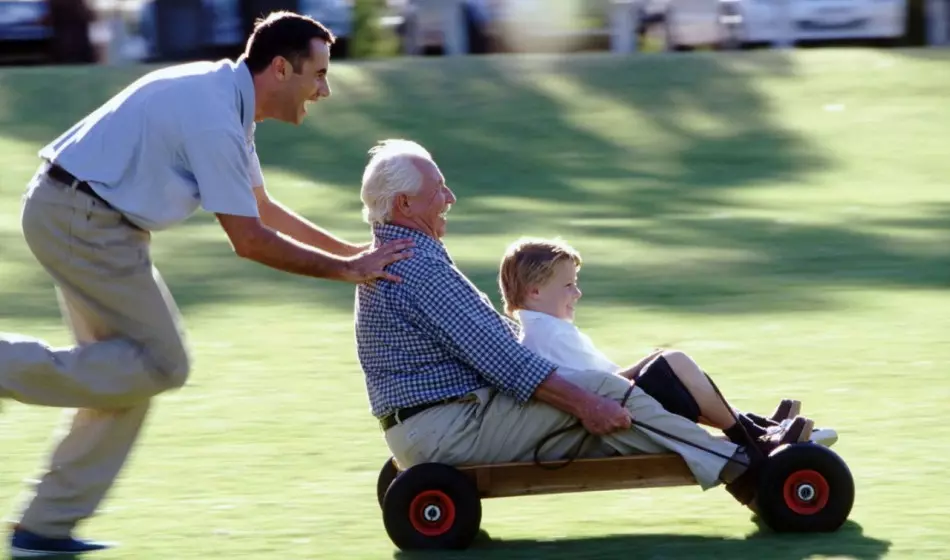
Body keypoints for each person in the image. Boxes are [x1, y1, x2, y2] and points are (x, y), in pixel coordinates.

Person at [0, 11, 414, 558]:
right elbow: (250, 239)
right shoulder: (216, 118)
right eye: (318, 74)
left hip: (85, 216)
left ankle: (43, 528)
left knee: (127, 372)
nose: (325, 89)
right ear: (282, 69)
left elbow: (263, 209)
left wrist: (356, 254)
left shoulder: (227, 101)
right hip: (83, 218)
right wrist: (346, 271)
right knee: (163, 363)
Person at [353, 138, 813, 516]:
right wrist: (586, 402)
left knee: (605, 386)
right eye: (440, 189)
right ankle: (745, 466)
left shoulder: (395, 256)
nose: (450, 198)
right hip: (448, 428)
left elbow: (491, 343)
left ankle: (739, 443)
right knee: (606, 393)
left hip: (430, 426)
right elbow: (507, 363)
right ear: (404, 203)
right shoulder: (418, 267)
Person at [496, 236, 838, 447]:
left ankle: (757, 426)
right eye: (568, 285)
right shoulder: (550, 334)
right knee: (673, 362)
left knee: (667, 364)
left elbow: (598, 380)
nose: (578, 293)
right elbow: (604, 387)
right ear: (535, 291)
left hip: (611, 405)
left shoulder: (543, 330)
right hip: (611, 417)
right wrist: (650, 364)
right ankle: (752, 436)